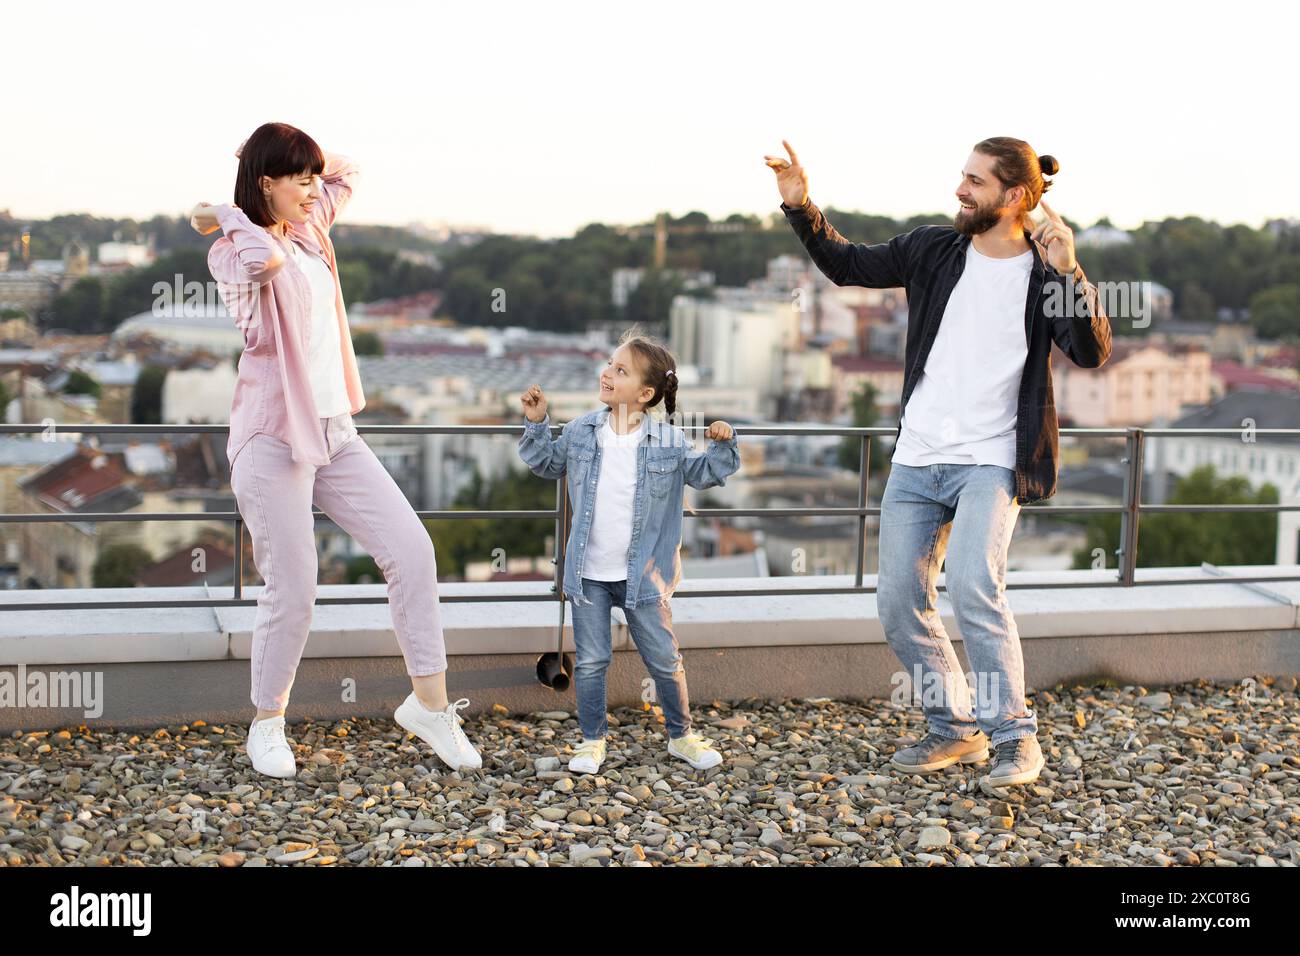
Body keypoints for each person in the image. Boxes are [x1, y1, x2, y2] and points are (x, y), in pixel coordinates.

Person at [765, 137, 1111, 790]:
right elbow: (846, 265)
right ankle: (955, 729)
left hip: (992, 461)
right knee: (899, 600)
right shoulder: (933, 248)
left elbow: (1089, 352)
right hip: (918, 459)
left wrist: (1071, 273)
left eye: (974, 181)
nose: (959, 189)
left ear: (1014, 196)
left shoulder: (1042, 269)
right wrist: (800, 205)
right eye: (962, 176)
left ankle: (1016, 741)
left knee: (976, 589)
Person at [191, 122, 480, 779]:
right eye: (297, 177)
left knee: (411, 550)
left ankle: (430, 706)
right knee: (293, 585)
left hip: (333, 430)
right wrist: (231, 211)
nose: (314, 187)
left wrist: (290, 162)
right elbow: (263, 262)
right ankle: (267, 724)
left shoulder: (313, 228)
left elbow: (348, 170)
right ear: (266, 184)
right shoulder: (234, 252)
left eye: (311, 177)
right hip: (271, 437)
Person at [517, 331, 740, 773]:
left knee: (664, 659)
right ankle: (591, 740)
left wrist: (723, 440)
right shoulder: (581, 431)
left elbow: (707, 473)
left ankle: (681, 735)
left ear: (645, 393)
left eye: (620, 370)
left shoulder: (670, 443)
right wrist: (537, 421)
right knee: (592, 660)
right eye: (609, 363)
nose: (607, 373)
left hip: (646, 576)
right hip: (589, 573)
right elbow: (547, 464)